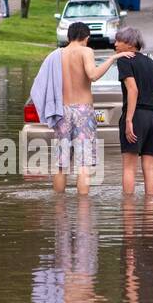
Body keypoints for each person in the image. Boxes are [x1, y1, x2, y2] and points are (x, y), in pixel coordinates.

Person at [53, 21, 123, 195]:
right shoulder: (86, 51)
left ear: (69, 36)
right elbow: (93, 75)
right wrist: (112, 58)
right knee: (83, 162)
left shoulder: (57, 54)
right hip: (83, 110)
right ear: (86, 38)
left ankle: (58, 206)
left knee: (61, 162)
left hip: (62, 110)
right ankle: (83, 210)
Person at [114, 26, 153, 197]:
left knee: (129, 167)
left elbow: (133, 90)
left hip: (136, 116)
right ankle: (150, 207)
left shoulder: (124, 61)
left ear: (131, 44)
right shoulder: (152, 63)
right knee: (150, 166)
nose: (115, 44)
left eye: (119, 41)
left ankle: (128, 209)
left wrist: (128, 120)